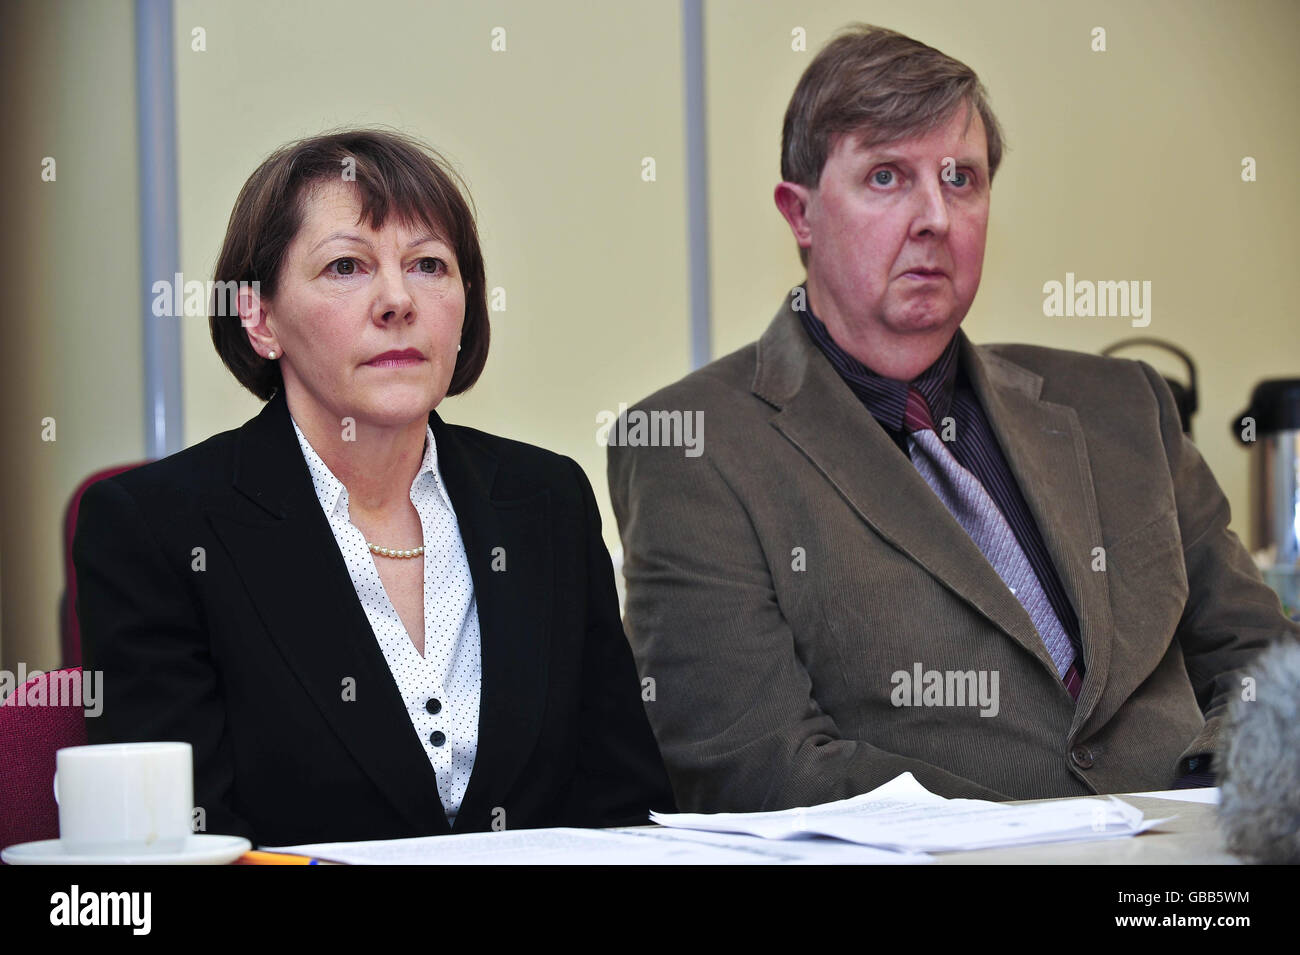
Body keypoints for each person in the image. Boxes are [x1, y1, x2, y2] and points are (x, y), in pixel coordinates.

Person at [608, 25, 1299, 810]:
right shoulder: (694, 448)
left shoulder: (1125, 406)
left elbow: (1266, 667)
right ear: (798, 214)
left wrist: (1205, 796)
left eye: (961, 178)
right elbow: (753, 764)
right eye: (887, 177)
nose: (935, 215)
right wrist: (1044, 838)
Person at [76, 128, 673, 847]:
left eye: (428, 264)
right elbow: (180, 847)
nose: (397, 300)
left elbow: (625, 814)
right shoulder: (155, 528)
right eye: (346, 267)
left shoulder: (548, 500)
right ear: (260, 318)